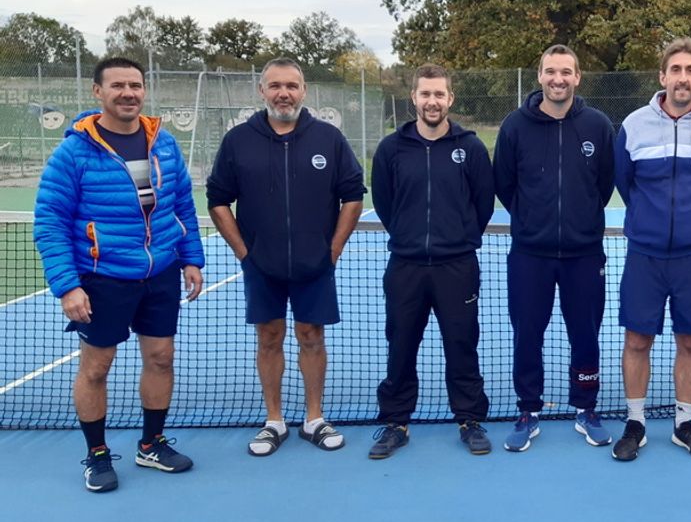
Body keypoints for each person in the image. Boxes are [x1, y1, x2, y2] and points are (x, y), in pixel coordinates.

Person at [33, 57, 204, 493]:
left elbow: (182, 204)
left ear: (144, 90)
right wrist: (67, 285)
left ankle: (151, 444)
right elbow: (49, 221)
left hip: (160, 272)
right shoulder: (74, 151)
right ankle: (96, 455)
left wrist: (191, 259)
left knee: (162, 357)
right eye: (118, 86)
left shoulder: (162, 143)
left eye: (135, 85)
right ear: (98, 92)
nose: (128, 92)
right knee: (97, 366)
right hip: (102, 277)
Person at [207, 58, 365, 456]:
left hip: (315, 265)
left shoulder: (328, 138)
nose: (284, 93)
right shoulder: (239, 140)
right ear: (262, 91)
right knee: (269, 337)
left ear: (304, 91)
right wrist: (245, 253)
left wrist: (333, 250)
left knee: (312, 336)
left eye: (292, 86)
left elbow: (353, 195)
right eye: (275, 86)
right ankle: (274, 420)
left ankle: (314, 418)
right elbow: (218, 200)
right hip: (262, 266)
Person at [611, 38, 691, 462]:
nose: (682, 78)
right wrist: (650, 223)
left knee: (690, 343)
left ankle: (684, 424)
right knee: (637, 340)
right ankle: (636, 423)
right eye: (675, 70)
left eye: (690, 70)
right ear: (662, 77)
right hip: (645, 255)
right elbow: (625, 183)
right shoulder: (633, 124)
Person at [368, 64, 496, 458]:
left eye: (439, 94)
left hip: (457, 267)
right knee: (401, 345)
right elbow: (384, 202)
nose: (432, 101)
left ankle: (469, 419)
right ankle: (395, 422)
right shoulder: (392, 148)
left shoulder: (471, 148)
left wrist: (456, 238)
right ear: (415, 98)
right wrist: (408, 237)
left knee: (461, 344)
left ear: (450, 99)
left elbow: (483, 203)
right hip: (405, 267)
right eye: (426, 94)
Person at [493, 44, 615, 452]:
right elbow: (505, 186)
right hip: (531, 254)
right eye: (550, 72)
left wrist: (578, 222)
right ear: (540, 76)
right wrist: (533, 220)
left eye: (566, 72)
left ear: (577, 77)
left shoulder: (598, 126)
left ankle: (586, 408)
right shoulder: (514, 126)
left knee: (586, 334)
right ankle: (528, 409)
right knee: (527, 334)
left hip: (584, 254)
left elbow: (604, 185)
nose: (558, 79)